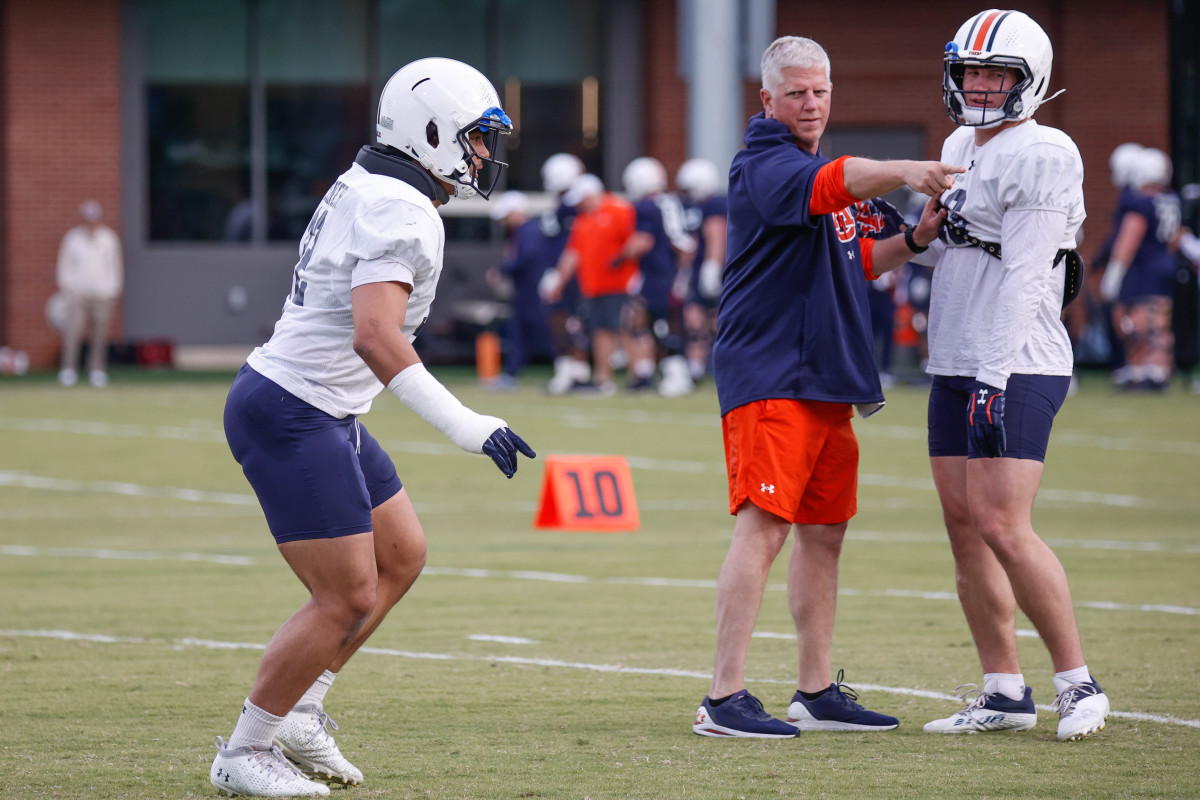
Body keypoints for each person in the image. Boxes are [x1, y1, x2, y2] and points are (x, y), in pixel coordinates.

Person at [212, 58, 535, 798]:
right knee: (347, 595)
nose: (486, 155)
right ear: (431, 133)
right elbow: (375, 335)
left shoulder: (377, 185)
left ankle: (303, 705)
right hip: (295, 407)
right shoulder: (402, 208)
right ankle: (246, 749)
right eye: (478, 139)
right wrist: (464, 423)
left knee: (402, 554)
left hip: (322, 406)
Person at [693, 34, 961, 738]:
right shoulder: (766, 160)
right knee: (764, 526)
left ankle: (815, 690)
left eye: (820, 91)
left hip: (824, 377)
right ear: (767, 99)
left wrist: (918, 238)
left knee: (824, 533)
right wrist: (907, 168)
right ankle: (723, 698)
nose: (810, 104)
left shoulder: (813, 167)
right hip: (773, 371)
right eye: (797, 94)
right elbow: (835, 183)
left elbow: (860, 258)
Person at [911, 9, 1110, 742]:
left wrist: (993, 379)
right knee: (964, 529)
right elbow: (953, 248)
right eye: (971, 73)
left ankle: (1077, 681)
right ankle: (1002, 689)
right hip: (956, 356)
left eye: (997, 74)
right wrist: (920, 235)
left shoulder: (1046, 152)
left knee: (1002, 524)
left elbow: (1029, 276)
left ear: (1031, 80)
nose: (981, 87)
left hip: (1016, 360)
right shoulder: (961, 141)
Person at [541, 173, 639, 394]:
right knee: (599, 332)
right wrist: (558, 280)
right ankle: (603, 379)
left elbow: (634, 240)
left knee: (623, 329)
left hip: (619, 283)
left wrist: (622, 259)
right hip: (593, 285)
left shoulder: (619, 210)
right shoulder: (582, 220)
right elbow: (573, 253)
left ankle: (636, 377)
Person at [1099, 147, 1182, 390]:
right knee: (1159, 319)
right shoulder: (1169, 198)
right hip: (1164, 264)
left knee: (1142, 320)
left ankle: (1149, 369)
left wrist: (1113, 274)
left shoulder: (1140, 201)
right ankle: (1153, 368)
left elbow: (1131, 234)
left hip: (1144, 267)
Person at [617, 156, 695, 394]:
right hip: (670, 272)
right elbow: (686, 244)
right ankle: (652, 372)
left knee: (653, 322)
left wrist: (618, 257)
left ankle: (667, 374)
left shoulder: (646, 206)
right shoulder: (672, 202)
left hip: (655, 273)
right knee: (660, 322)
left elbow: (644, 242)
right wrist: (681, 274)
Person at [486, 190, 554, 387]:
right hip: (526, 290)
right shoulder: (525, 232)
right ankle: (512, 373)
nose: (504, 222)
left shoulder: (529, 231)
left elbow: (527, 258)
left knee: (542, 330)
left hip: (533, 290)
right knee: (521, 331)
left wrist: (502, 270)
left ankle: (567, 368)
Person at [538, 153, 593, 394]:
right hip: (565, 273)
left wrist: (557, 275)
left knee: (570, 323)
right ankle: (570, 373)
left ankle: (577, 374)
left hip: (572, 275)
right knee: (564, 323)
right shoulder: (564, 209)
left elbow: (573, 246)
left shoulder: (570, 209)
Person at [56, 200, 123, 387]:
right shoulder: (73, 238)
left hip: (103, 293)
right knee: (73, 331)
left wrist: (113, 290)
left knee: (100, 334)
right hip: (78, 292)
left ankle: (96, 370)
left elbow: (115, 266)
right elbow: (64, 265)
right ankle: (68, 369)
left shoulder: (109, 238)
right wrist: (67, 288)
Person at [676, 157, 727, 388]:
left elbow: (716, 235)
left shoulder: (715, 204)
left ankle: (728, 370)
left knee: (719, 322)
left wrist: (712, 266)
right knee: (694, 322)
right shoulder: (691, 206)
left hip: (714, 270)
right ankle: (695, 371)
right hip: (696, 271)